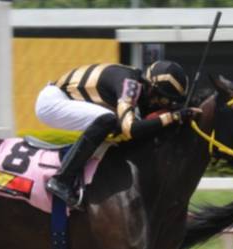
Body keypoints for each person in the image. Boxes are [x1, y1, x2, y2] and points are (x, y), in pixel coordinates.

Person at [34, 60, 198, 207]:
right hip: (52, 102)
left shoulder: (141, 87)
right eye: (163, 100)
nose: (163, 105)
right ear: (152, 88)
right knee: (108, 120)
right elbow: (131, 129)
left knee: (118, 125)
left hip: (66, 100)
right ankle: (61, 180)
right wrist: (173, 116)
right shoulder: (130, 85)